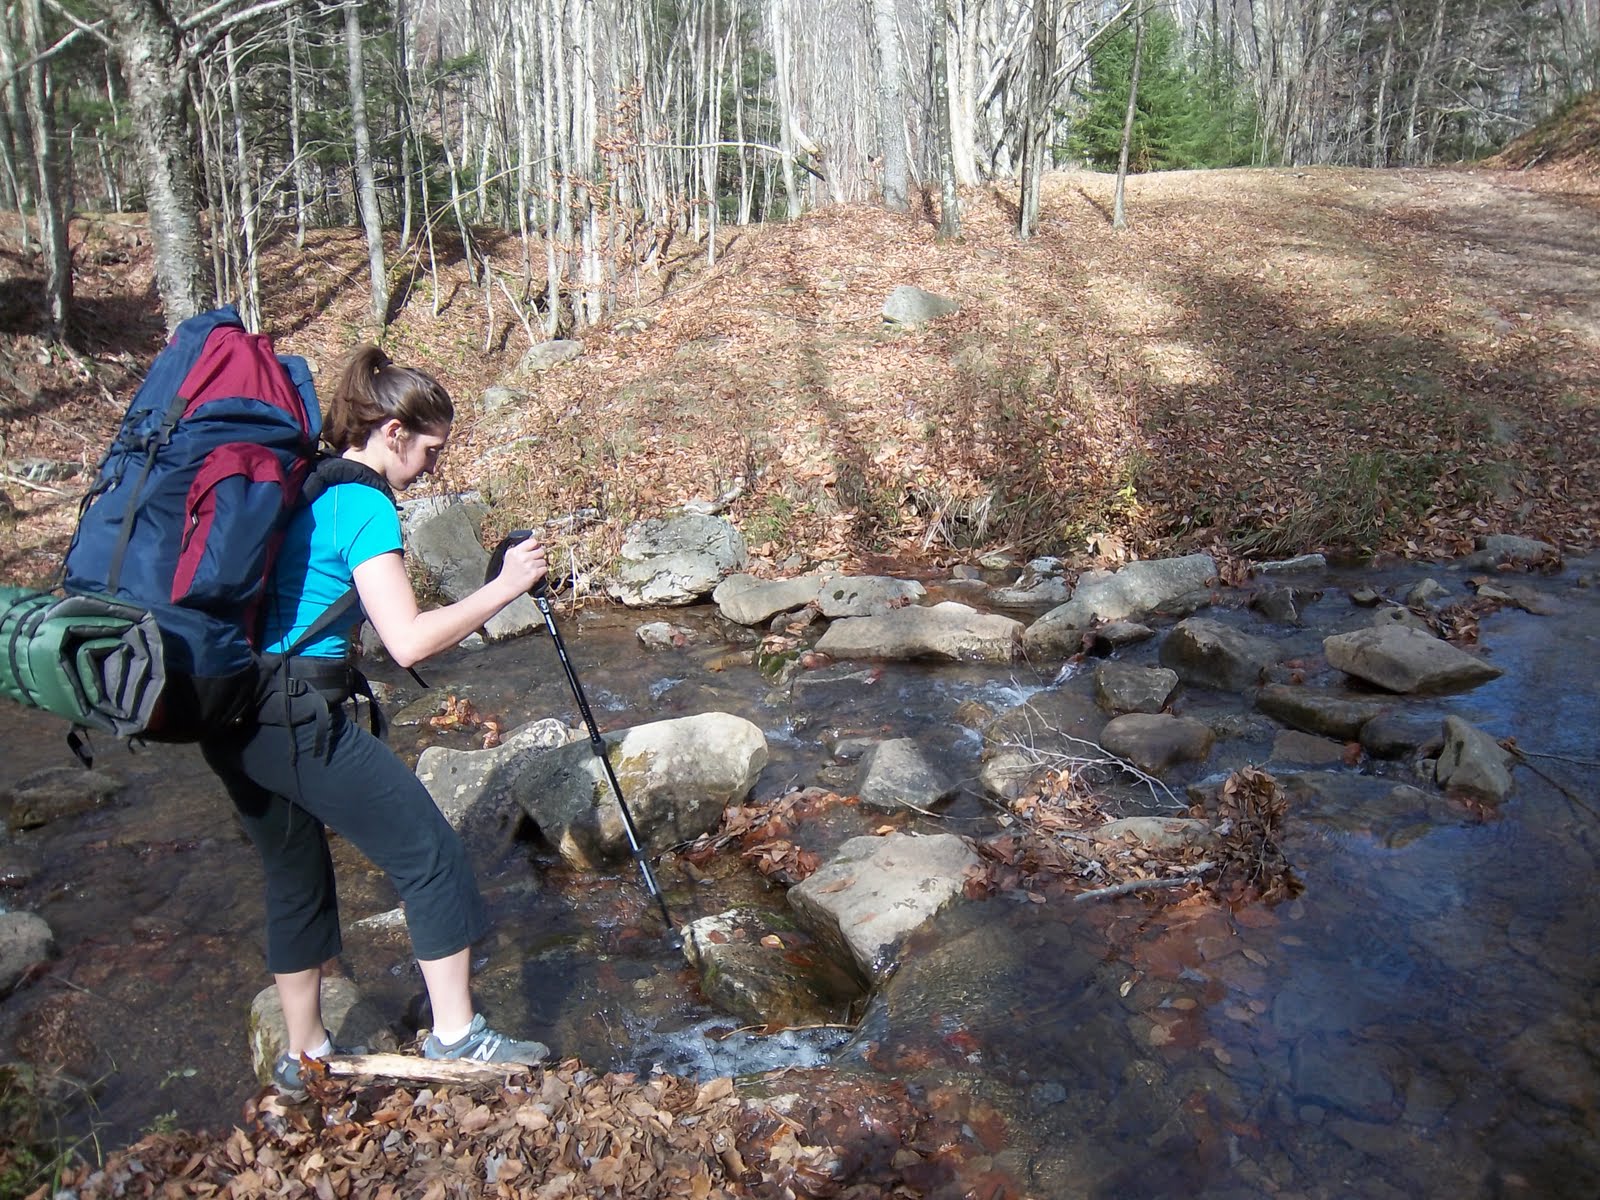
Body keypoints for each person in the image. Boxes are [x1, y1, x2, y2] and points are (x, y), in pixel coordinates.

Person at [199, 345, 550, 1093]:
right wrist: (509, 588)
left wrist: (484, 588)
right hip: (296, 716)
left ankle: (306, 1057)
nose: (432, 466)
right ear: (393, 432)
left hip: (235, 713)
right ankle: (458, 1039)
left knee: (293, 879)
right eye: (431, 449)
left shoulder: (307, 484)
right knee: (429, 854)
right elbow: (410, 640)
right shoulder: (362, 501)